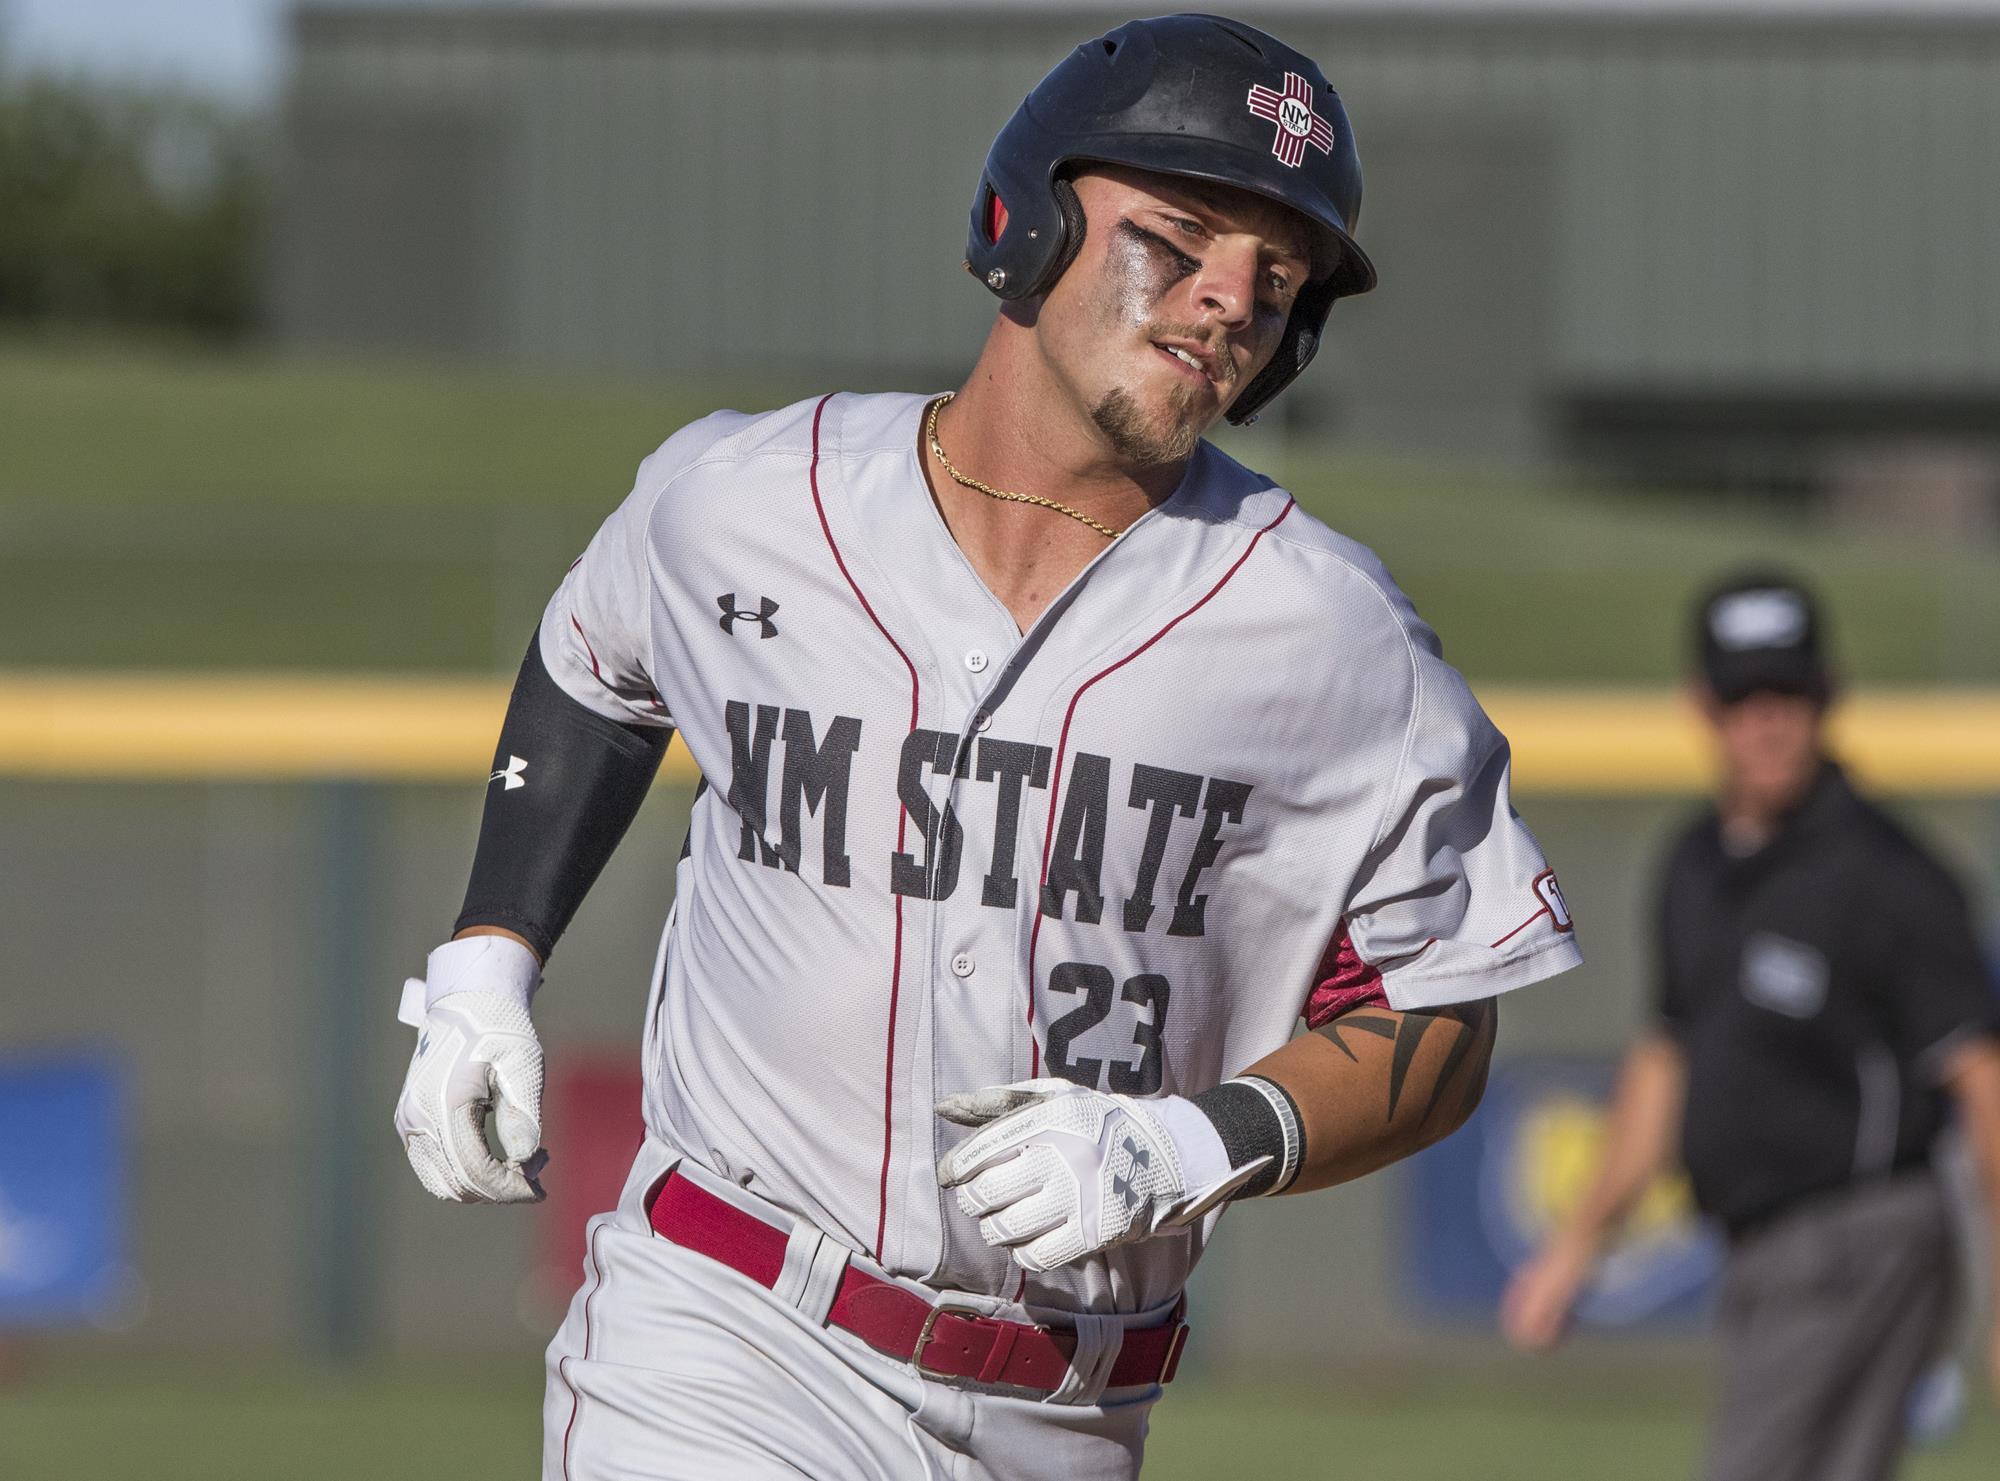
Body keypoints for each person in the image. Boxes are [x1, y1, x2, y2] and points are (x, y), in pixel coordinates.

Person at [393, 16, 1583, 1479]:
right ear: (1028, 222)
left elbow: (1443, 1014)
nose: (1228, 302)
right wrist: (486, 961)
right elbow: (596, 661)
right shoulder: (746, 499)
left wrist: (1197, 1143)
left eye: (1276, 283)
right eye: (1181, 236)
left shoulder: (1332, 635)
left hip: (1069, 1407)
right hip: (722, 1333)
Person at [1501, 571, 2000, 1481]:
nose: (1767, 722)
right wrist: (1576, 1246)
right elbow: (1667, 1064)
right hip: (1762, 1246)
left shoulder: (1891, 875)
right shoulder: (1697, 863)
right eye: (1743, 697)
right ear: (1703, 704)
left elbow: (1982, 1083)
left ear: (1828, 696)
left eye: (1789, 694)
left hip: (1862, 1234)